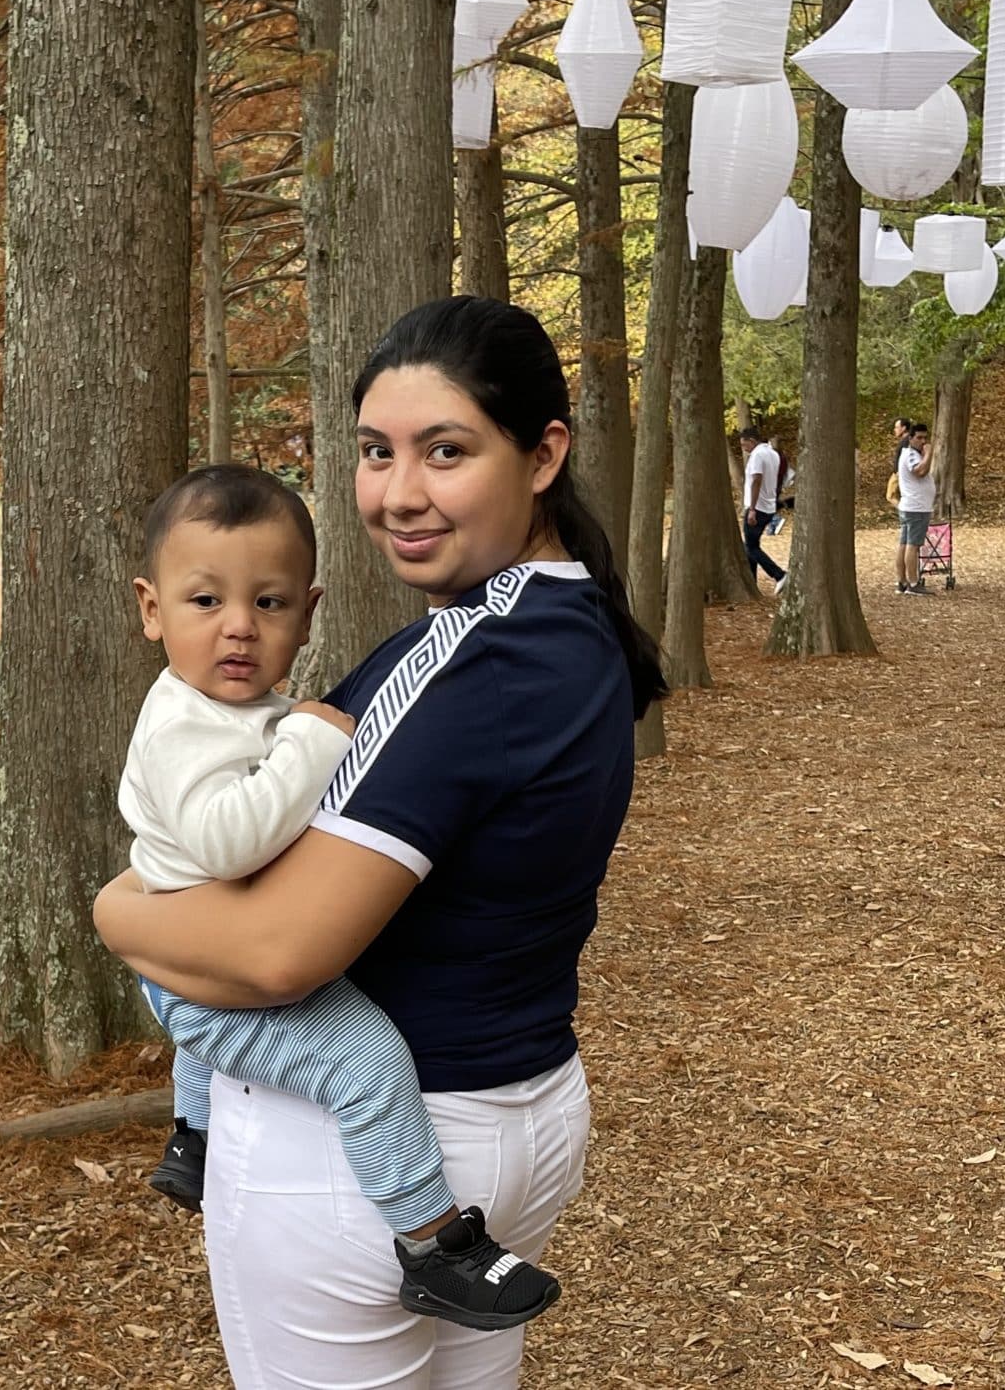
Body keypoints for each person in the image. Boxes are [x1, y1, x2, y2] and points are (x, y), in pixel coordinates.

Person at [95, 295, 667, 1389]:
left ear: (542, 454)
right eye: (373, 452)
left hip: (370, 1150)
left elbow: (275, 954)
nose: (398, 493)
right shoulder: (576, 621)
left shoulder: (470, 661)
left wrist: (112, 913)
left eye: (444, 452)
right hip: (524, 1105)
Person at [119, 462, 557, 1329]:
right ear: (151, 608)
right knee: (365, 1058)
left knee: (221, 1034)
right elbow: (229, 842)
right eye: (206, 602)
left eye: (270, 604)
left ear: (309, 612)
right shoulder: (182, 725)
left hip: (190, 950)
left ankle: (192, 1141)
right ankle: (432, 1242)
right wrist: (313, 743)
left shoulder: (229, 708)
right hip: (206, 976)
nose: (239, 628)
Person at [737, 427, 788, 590]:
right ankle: (752, 582)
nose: (744, 449)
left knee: (751, 547)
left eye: (744, 445)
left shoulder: (758, 455)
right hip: (768, 505)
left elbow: (756, 480)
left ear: (752, 441)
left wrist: (752, 509)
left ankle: (779, 574)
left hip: (757, 507)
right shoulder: (773, 453)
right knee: (752, 545)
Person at [893, 421, 936, 594]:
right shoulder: (911, 454)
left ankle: (902, 581)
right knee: (912, 545)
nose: (923, 441)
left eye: (925, 438)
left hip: (913, 506)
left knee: (904, 544)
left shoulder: (912, 453)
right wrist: (929, 454)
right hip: (916, 507)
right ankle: (913, 583)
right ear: (910, 438)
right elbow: (920, 471)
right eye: (919, 438)